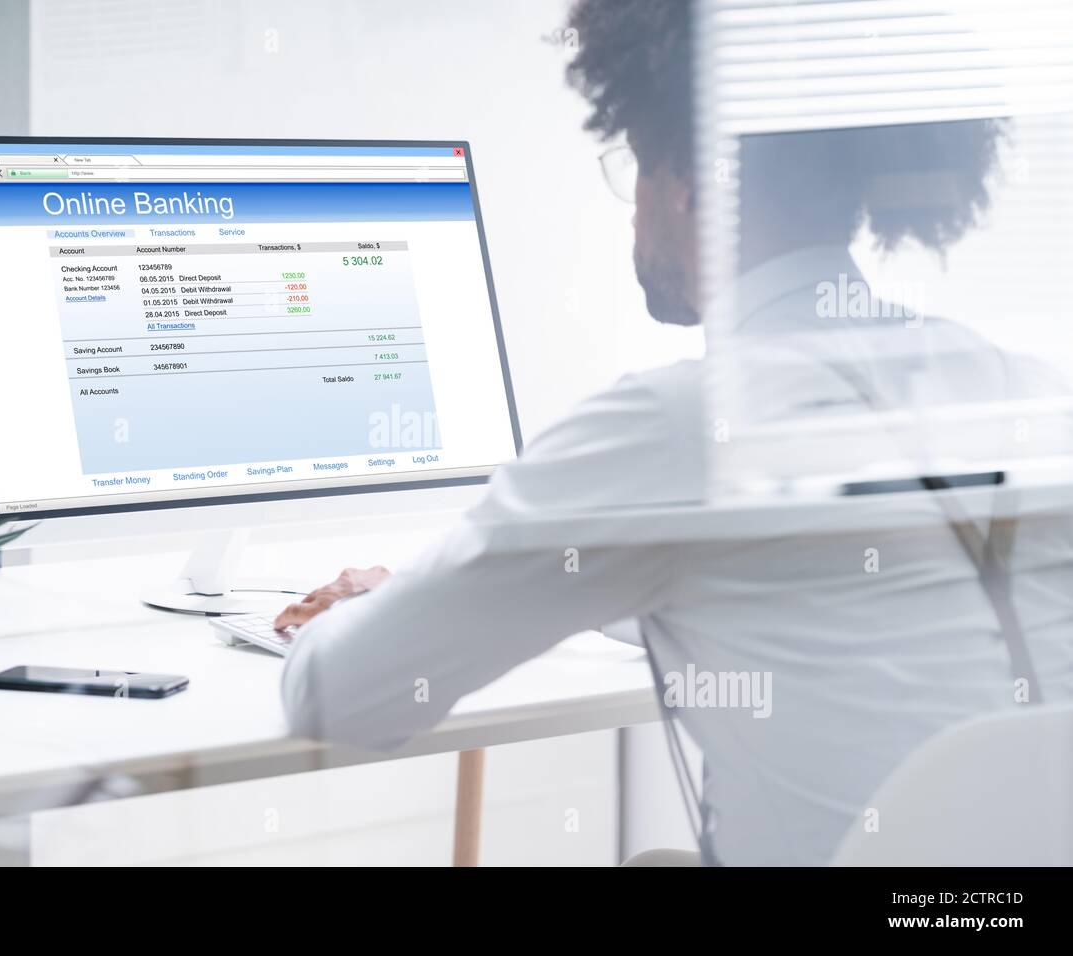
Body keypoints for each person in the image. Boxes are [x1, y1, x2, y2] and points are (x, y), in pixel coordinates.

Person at [276, 0, 1073, 865]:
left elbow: (338, 700)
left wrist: (364, 621)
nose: (634, 211)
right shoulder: (1014, 388)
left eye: (637, 169)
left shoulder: (676, 430)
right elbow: (841, 601)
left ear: (693, 180)